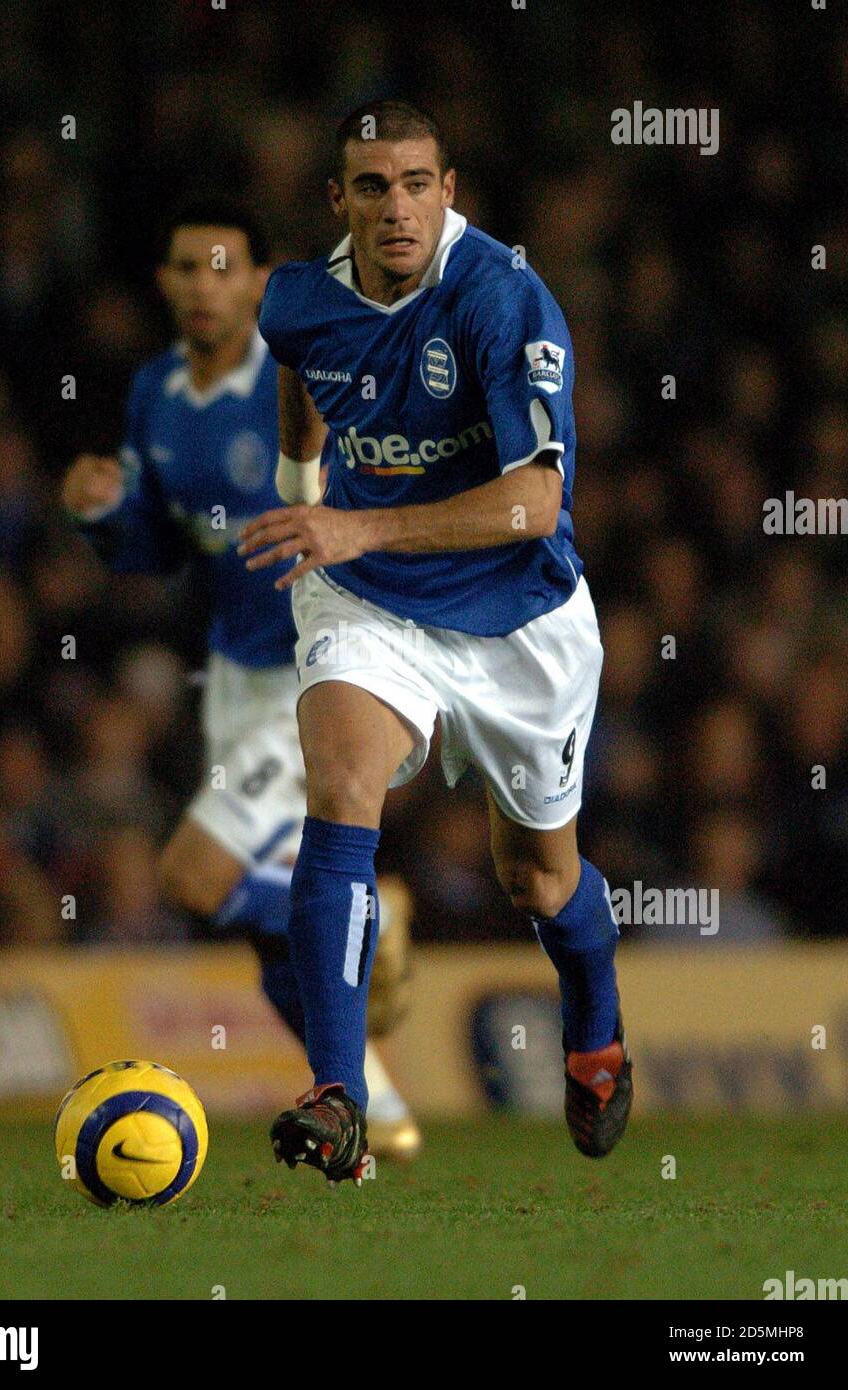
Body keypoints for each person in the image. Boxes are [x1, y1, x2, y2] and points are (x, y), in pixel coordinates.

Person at [239, 101, 631, 1184]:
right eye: (372, 186)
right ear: (341, 201)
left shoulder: (502, 297)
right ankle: (338, 1097)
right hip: (367, 601)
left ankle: (594, 1029)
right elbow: (297, 364)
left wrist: (352, 519)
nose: (396, 206)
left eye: (415, 182)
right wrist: (297, 487)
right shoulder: (301, 300)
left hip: (520, 621)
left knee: (538, 880)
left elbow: (537, 502)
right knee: (341, 782)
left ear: (447, 189)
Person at [62, 198, 419, 1160]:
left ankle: (369, 931)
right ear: (165, 283)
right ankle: (366, 1103)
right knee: (262, 926)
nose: (201, 286)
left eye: (222, 267)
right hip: (232, 677)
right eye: (184, 267)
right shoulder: (156, 393)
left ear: (262, 282)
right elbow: (156, 552)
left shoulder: (307, 382)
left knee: (193, 875)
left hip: (321, 672)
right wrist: (104, 514)